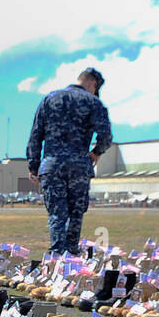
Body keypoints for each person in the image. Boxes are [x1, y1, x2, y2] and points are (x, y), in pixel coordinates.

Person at [25, 67, 112, 257]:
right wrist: (96, 152)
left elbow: (35, 135)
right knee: (75, 214)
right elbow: (106, 135)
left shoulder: (49, 99)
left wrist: (34, 165)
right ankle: (71, 257)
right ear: (93, 84)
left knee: (57, 214)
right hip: (79, 166)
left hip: (52, 165)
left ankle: (56, 257)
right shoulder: (93, 102)